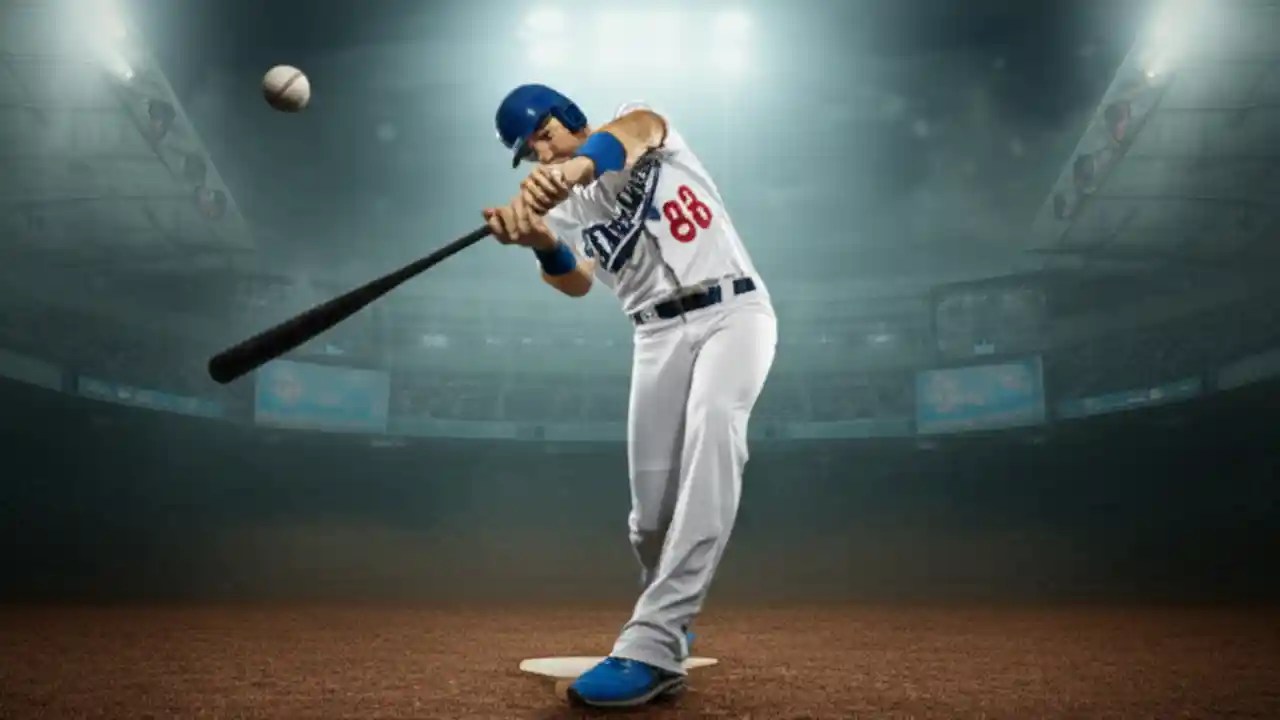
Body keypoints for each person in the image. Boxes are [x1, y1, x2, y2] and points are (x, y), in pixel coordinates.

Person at [483, 84, 778, 708]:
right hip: (654, 335)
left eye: (541, 134)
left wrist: (575, 165)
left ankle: (652, 642)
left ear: (566, 117)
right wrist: (536, 238)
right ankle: (671, 611)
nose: (538, 152)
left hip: (734, 311)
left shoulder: (633, 125)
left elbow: (639, 130)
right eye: (526, 149)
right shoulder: (561, 206)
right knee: (648, 520)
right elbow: (577, 284)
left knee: (713, 437)